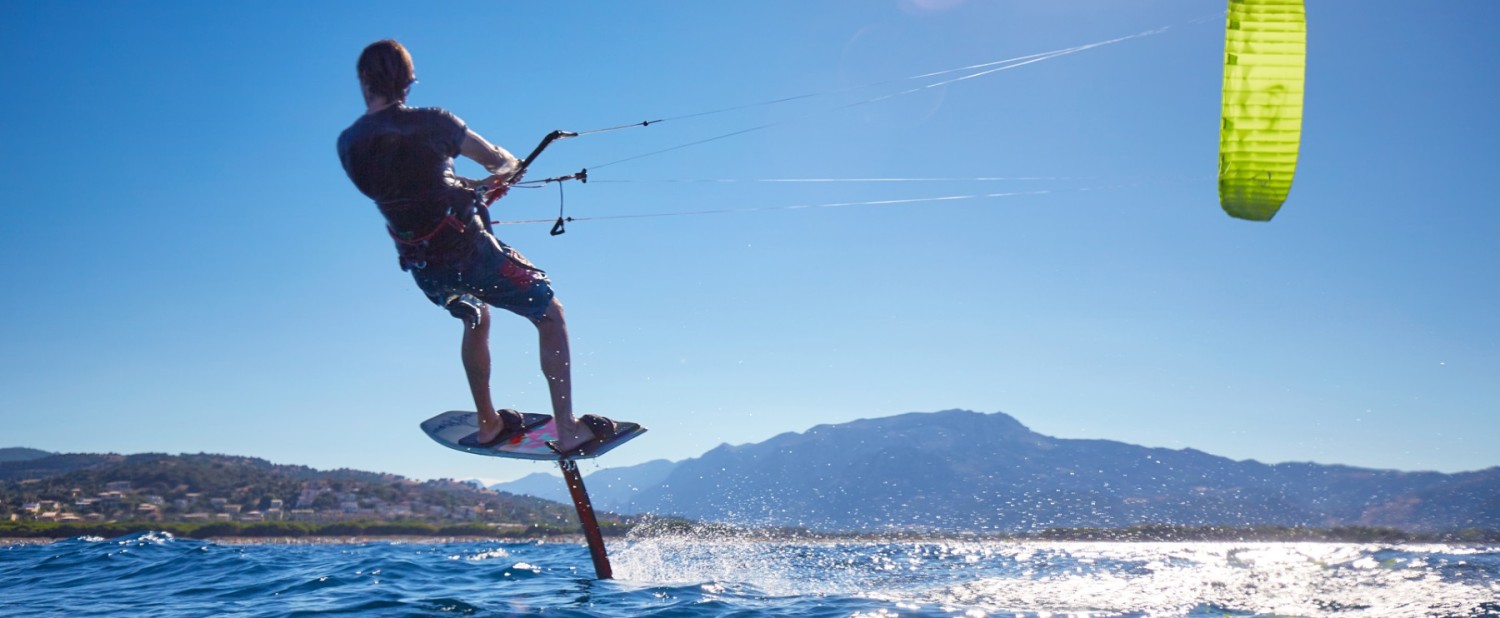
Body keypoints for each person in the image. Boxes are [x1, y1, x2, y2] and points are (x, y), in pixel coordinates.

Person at [337, 39, 610, 454]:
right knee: (550, 312)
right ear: (410, 81)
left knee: (475, 318)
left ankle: (488, 423)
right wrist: (500, 173)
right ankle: (568, 428)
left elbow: (411, 192)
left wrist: (473, 189)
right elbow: (500, 161)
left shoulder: (349, 143)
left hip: (424, 269)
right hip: (471, 254)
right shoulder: (434, 123)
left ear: (363, 81)